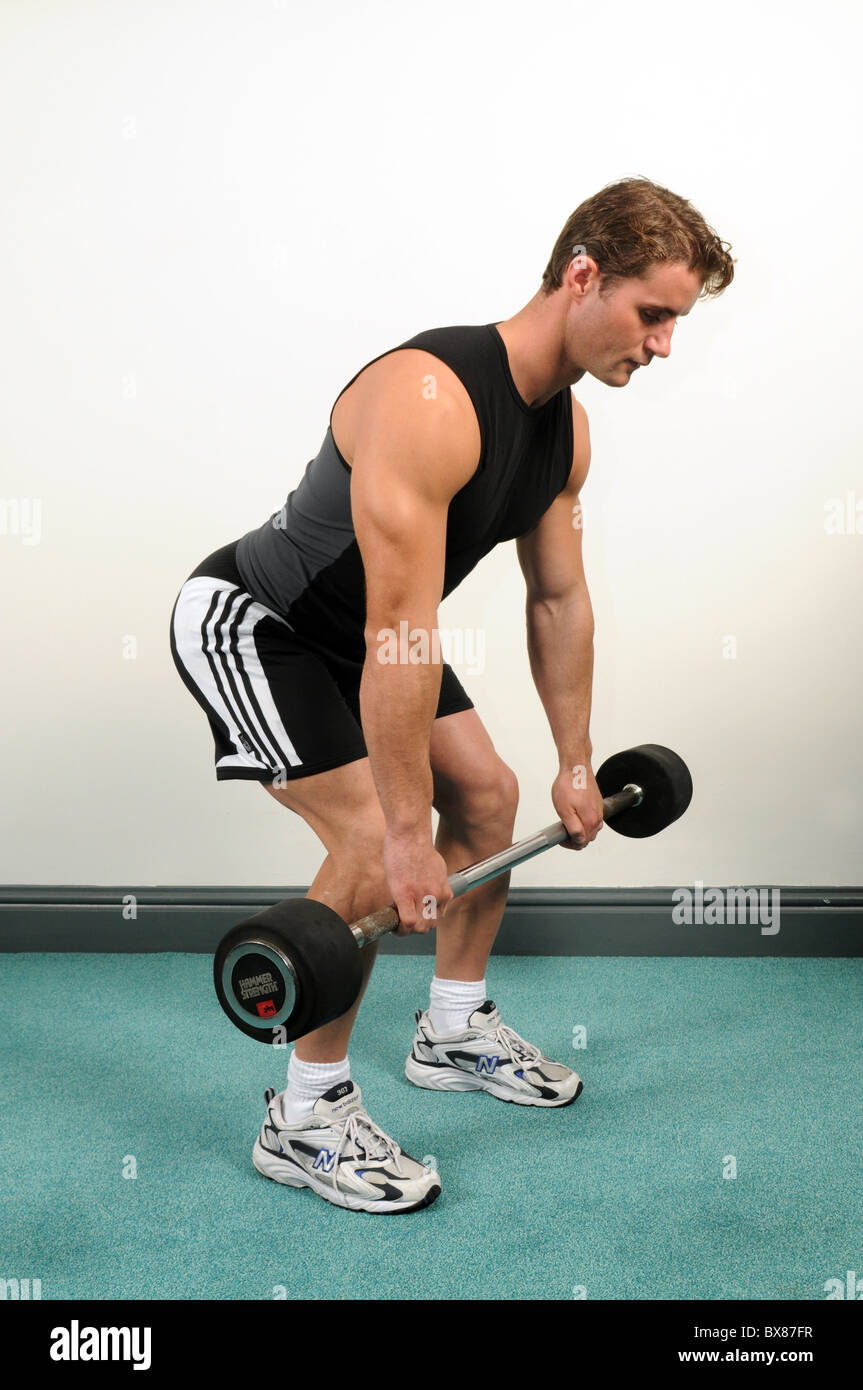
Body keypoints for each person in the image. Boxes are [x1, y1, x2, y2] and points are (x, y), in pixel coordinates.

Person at [170, 175, 734, 1213]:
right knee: (371, 854)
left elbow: (558, 601)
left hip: (374, 633)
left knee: (486, 795)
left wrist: (575, 762)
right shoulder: (430, 399)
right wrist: (395, 833)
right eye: (652, 313)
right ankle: (302, 1116)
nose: (661, 346)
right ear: (581, 276)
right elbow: (398, 628)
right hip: (261, 622)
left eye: (675, 324)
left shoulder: (564, 434)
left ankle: (452, 1026)